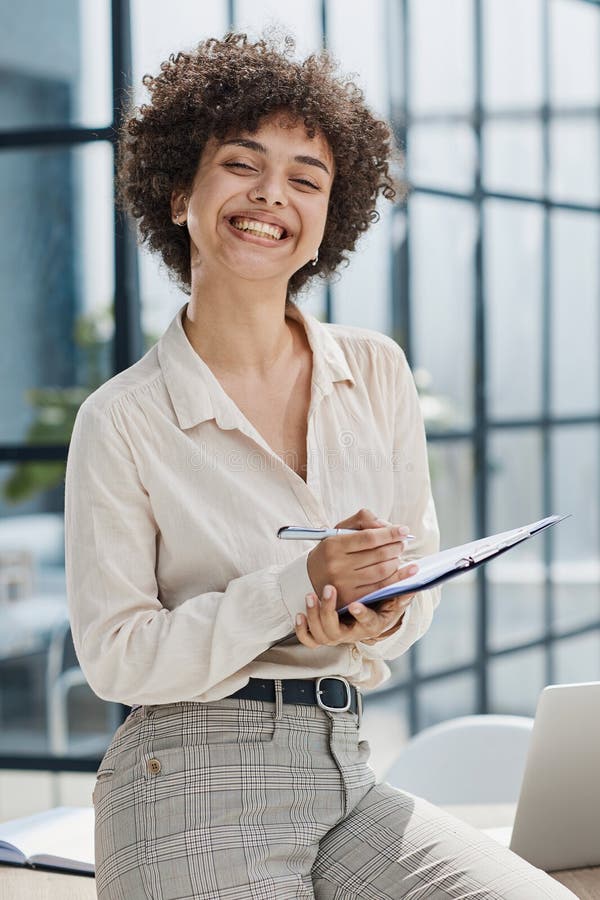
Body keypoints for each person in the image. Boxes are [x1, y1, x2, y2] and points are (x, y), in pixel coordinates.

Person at [65, 30, 576, 900]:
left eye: (307, 178)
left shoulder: (374, 371)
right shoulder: (122, 420)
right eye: (242, 164)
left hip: (346, 769)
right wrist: (293, 588)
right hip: (184, 780)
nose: (273, 195)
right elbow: (117, 658)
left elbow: (415, 588)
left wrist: (374, 616)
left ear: (324, 228)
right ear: (180, 193)